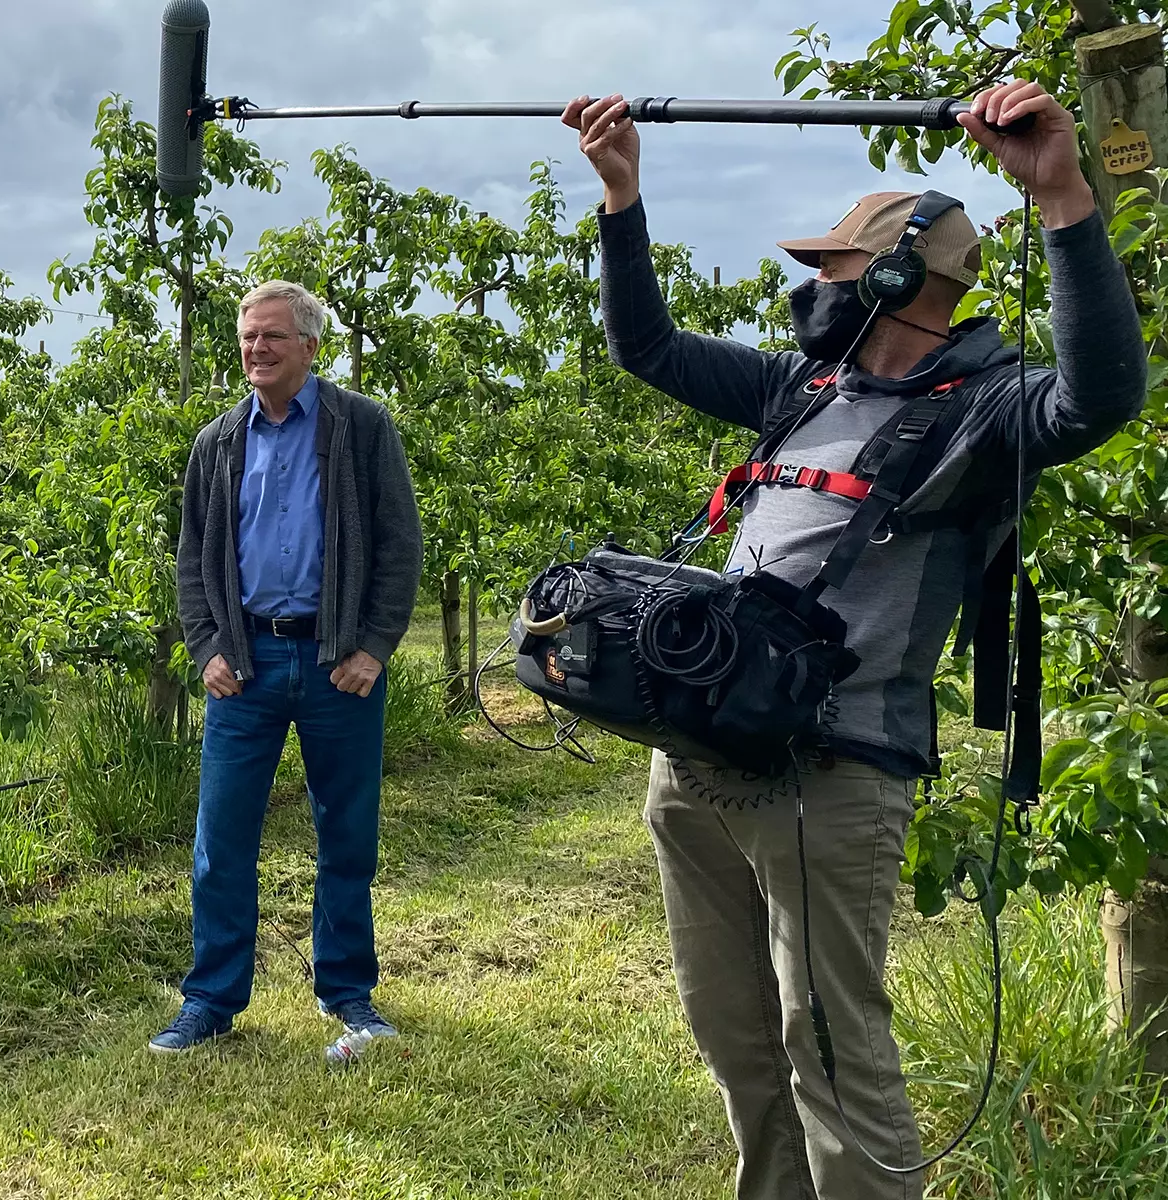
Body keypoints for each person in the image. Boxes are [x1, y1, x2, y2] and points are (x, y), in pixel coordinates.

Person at [562, 81, 1144, 1199]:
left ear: (890, 280)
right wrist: (622, 200)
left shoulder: (988, 407)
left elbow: (1100, 398)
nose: (810, 284)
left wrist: (1062, 194)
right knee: (736, 1037)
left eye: (831, 267)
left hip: (828, 776)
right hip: (696, 764)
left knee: (832, 1051)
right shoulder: (803, 387)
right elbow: (647, 349)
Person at [154, 279, 424, 1059]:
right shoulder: (219, 441)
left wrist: (373, 645)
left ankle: (348, 996)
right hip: (245, 664)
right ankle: (209, 1002)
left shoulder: (361, 427)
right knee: (222, 838)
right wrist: (207, 647)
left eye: (272, 336)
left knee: (346, 834)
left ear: (310, 346)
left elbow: (398, 545)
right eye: (247, 337)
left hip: (336, 659)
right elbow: (193, 560)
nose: (256, 350)